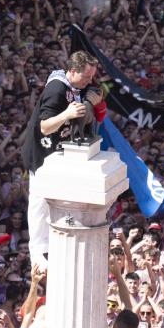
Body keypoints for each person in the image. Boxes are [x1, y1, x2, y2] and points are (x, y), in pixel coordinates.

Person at [21, 51, 104, 268]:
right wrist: (66, 114)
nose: (89, 81)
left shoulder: (79, 84)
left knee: (57, 201)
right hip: (42, 153)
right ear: (73, 71)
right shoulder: (56, 89)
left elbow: (97, 92)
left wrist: (90, 100)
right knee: (40, 203)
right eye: (86, 76)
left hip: (62, 153)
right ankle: (38, 252)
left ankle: (53, 242)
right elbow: (45, 126)